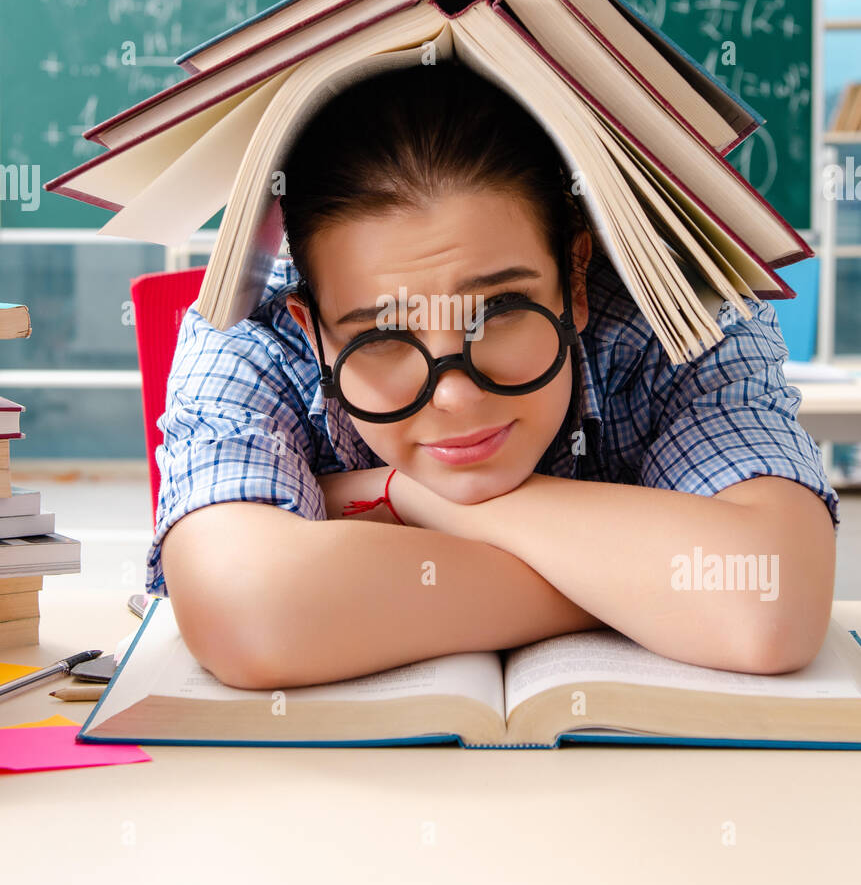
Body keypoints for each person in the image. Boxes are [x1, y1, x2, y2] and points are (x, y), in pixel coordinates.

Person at [149, 61, 838, 689]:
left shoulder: (688, 315)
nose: (455, 394)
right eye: (383, 336)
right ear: (311, 330)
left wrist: (411, 497)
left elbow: (764, 600)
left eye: (501, 310)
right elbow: (250, 616)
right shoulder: (239, 332)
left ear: (572, 278)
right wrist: (639, 588)